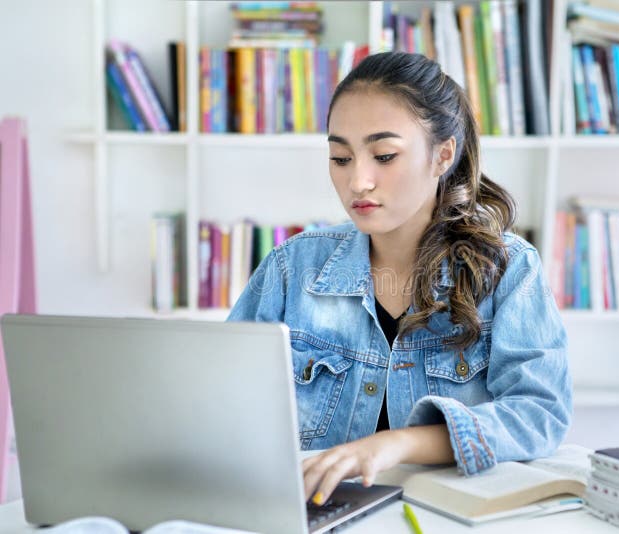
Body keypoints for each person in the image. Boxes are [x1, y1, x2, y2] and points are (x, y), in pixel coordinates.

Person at [227, 51, 571, 506]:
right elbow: (224, 403)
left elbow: (539, 413)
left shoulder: (508, 270)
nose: (358, 183)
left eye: (384, 155)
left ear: (442, 155)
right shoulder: (293, 268)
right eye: (341, 158)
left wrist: (397, 444)